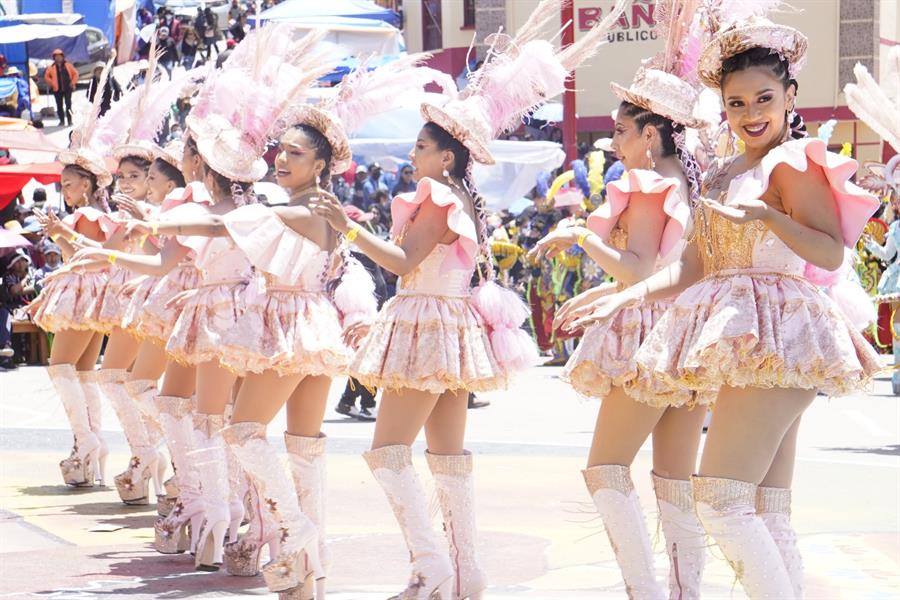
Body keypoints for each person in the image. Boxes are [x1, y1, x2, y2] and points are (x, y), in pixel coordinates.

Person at [310, 6, 622, 596]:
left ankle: (431, 569)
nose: (411, 155)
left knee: (388, 453)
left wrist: (347, 228)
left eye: (421, 146)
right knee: (448, 456)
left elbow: (402, 264)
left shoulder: (435, 194)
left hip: (427, 322)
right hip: (448, 327)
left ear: (445, 157)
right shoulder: (463, 197)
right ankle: (464, 573)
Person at [574, 14, 882, 599]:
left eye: (764, 98)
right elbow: (694, 266)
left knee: (721, 497)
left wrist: (769, 216)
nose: (751, 113)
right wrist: (625, 296)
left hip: (784, 333)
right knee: (766, 507)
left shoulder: (796, 160)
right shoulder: (721, 172)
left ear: (790, 96)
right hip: (738, 336)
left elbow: (832, 252)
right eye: (736, 103)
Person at [538, 65, 708, 598]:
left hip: (648, 337)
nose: (612, 143)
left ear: (650, 135)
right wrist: (600, 293)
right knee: (675, 484)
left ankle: (646, 592)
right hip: (685, 332)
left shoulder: (648, 183)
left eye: (619, 131)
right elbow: (664, 270)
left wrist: (578, 238)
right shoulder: (686, 181)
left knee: (607, 471)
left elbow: (637, 270)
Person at [43, 49, 79, 126]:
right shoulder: (51, 67)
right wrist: (52, 83)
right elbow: (46, 76)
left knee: (68, 105)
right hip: (57, 90)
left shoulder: (68, 65)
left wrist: (72, 83)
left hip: (67, 89)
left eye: (60, 56)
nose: (58, 58)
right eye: (56, 57)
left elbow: (75, 74)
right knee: (59, 106)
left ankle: (70, 120)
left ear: (62, 57)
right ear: (54, 58)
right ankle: (61, 121)